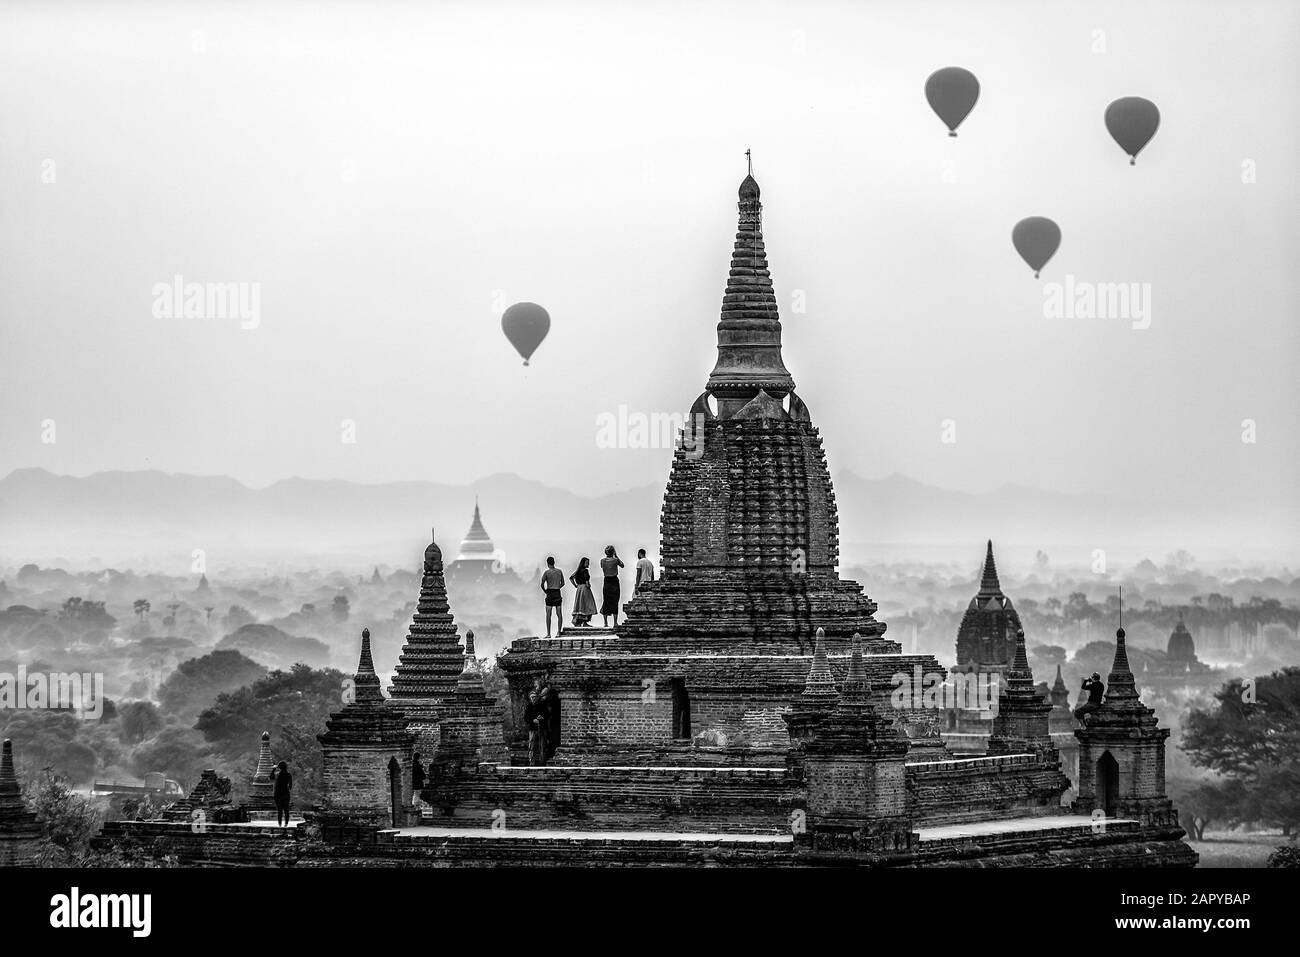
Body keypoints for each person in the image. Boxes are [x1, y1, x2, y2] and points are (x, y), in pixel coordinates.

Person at [540, 556, 566, 638]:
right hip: (557, 592)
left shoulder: (546, 572)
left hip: (550, 592)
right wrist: (558, 587)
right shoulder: (559, 571)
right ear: (554, 562)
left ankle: (548, 633)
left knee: (548, 614)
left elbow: (542, 584)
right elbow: (563, 583)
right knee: (559, 613)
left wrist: (545, 591)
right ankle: (558, 632)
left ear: (548, 563)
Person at [599, 545, 625, 627]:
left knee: (606, 601)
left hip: (606, 581)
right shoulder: (615, 560)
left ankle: (605, 622)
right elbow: (622, 565)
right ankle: (615, 622)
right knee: (615, 601)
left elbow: (602, 567)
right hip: (614, 581)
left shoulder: (602, 561)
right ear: (613, 552)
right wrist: (616, 556)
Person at [569, 557, 597, 627]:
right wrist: (588, 585)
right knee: (588, 605)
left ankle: (579, 622)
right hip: (585, 588)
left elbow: (571, 578)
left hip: (579, 589)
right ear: (583, 563)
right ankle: (585, 622)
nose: (588, 564)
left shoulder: (578, 571)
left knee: (580, 605)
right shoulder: (585, 571)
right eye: (587, 563)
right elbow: (587, 582)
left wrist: (575, 585)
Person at [538, 679, 561, 762]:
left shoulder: (553, 694)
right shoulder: (548, 693)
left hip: (554, 721)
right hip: (548, 721)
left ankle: (551, 755)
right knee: (546, 739)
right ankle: (546, 756)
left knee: (554, 738)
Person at [524, 689, 546, 766]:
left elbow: (547, 714)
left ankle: (542, 761)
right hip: (532, 729)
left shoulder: (542, 705)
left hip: (541, 728)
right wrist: (533, 720)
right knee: (532, 745)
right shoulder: (529, 707)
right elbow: (526, 718)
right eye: (532, 697)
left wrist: (542, 717)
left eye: (535, 697)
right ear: (530, 698)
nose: (533, 698)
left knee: (542, 745)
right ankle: (531, 761)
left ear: (537, 697)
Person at [271, 760, 292, 828]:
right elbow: (290, 786)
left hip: (278, 794)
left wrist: (273, 769)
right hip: (286, 794)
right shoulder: (288, 775)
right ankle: (286, 824)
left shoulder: (277, 774)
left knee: (279, 810)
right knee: (286, 810)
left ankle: (279, 824)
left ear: (279, 767)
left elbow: (271, 777)